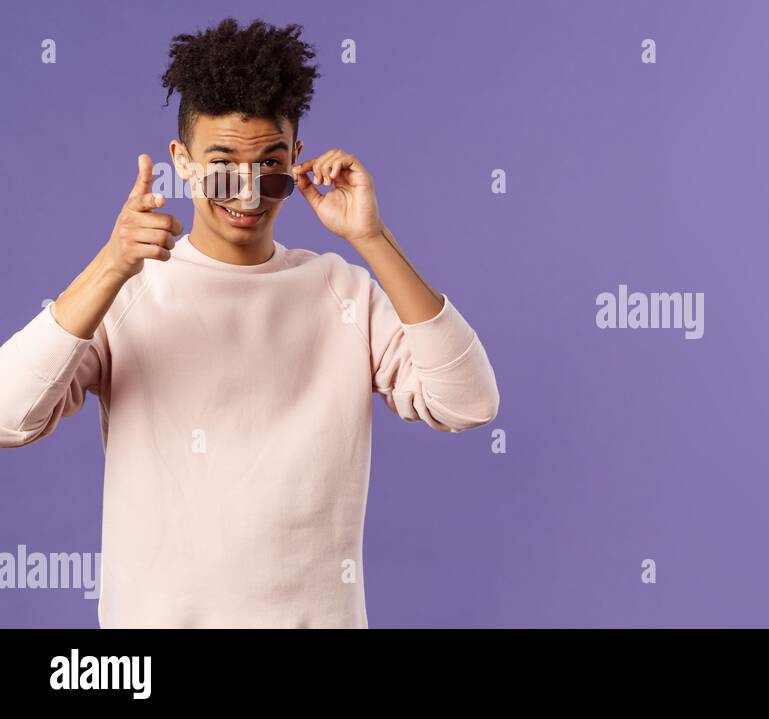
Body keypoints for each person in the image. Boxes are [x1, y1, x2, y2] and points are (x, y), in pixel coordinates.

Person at [0, 18, 500, 628]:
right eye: (221, 165)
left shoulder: (341, 291)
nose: (246, 192)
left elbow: (469, 403)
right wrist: (110, 266)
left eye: (269, 164)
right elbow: (9, 417)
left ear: (295, 158)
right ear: (180, 163)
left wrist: (371, 239)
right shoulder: (130, 291)